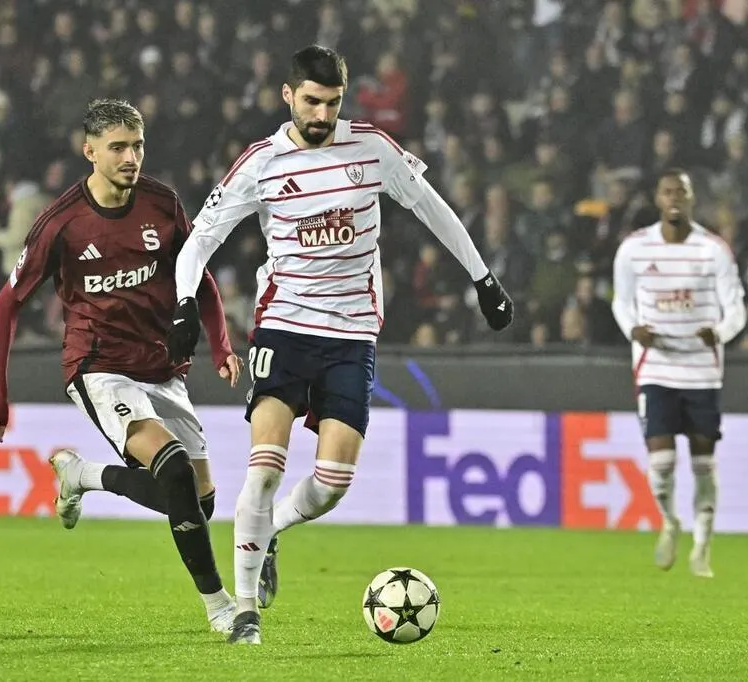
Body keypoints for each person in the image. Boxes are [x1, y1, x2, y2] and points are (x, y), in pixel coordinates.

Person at [167, 46, 514, 644]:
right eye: (311, 101)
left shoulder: (373, 149)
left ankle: (269, 531)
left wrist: (484, 278)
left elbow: (434, 209)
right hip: (283, 326)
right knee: (265, 467)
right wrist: (181, 304)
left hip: (353, 333)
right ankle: (244, 610)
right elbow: (199, 239)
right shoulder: (261, 163)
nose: (322, 114)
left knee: (330, 483)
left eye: (331, 103)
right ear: (287, 95)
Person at [0, 98, 243, 632]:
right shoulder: (61, 223)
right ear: (90, 151)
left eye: (137, 146)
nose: (130, 157)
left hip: (162, 366)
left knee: (200, 502)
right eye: (118, 147)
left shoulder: (162, 203)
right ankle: (220, 606)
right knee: (169, 467)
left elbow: (199, 275)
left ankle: (83, 475)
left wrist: (220, 344)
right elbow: (7, 304)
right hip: (98, 366)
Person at [611, 168, 746, 579]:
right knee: (663, 462)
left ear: (691, 199)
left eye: (682, 193)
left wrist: (719, 333)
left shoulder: (713, 250)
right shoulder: (634, 249)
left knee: (704, 461)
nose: (674, 198)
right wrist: (632, 329)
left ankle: (702, 547)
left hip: (702, 371)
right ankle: (669, 521)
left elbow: (736, 308)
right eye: (667, 191)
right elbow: (621, 302)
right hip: (656, 368)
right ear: (657, 198)